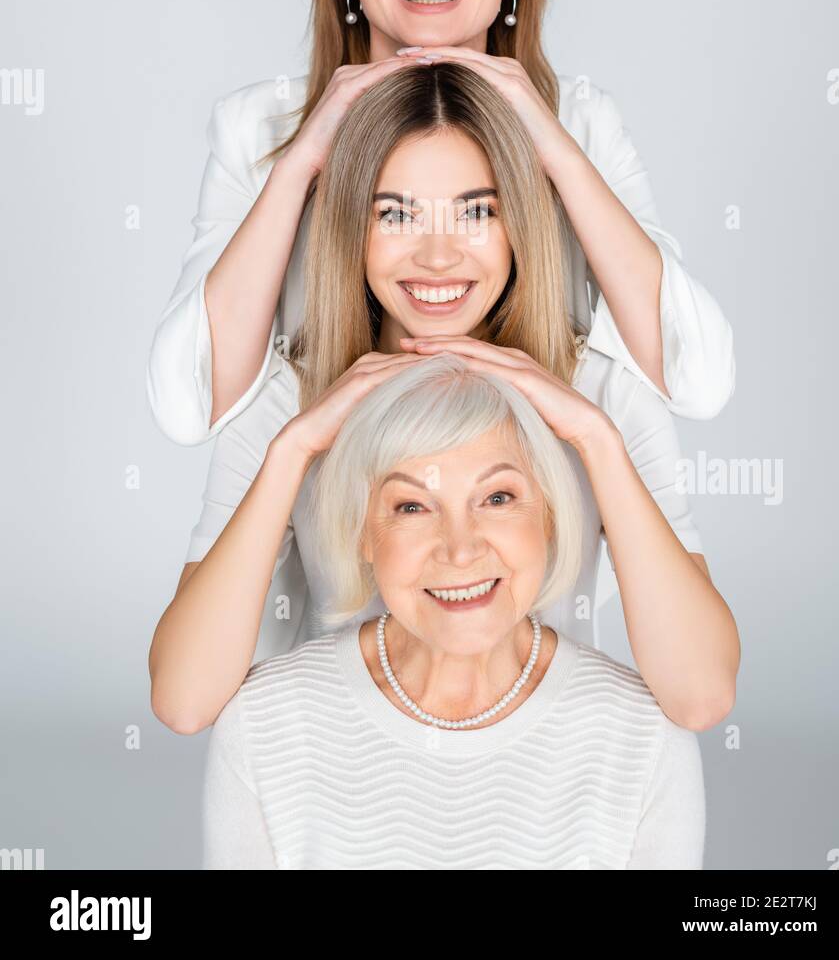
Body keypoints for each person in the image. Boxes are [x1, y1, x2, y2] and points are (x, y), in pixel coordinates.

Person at [149, 62, 740, 737]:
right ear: (352, 228)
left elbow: (699, 696)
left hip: (548, 764)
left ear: (520, 221)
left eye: (476, 211)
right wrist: (293, 451)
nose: (436, 256)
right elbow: (184, 701)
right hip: (341, 767)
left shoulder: (603, 390)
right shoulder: (289, 399)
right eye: (395, 214)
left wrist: (595, 441)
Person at [146, 0, 735, 447]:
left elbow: (698, 381)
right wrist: (302, 160)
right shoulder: (258, 126)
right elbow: (187, 407)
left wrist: (553, 150)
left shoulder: (581, 122)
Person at [201, 352, 707, 870]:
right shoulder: (262, 725)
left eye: (497, 498)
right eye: (412, 507)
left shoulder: (643, 737)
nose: (460, 550)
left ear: (548, 519)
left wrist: (599, 436)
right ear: (364, 535)